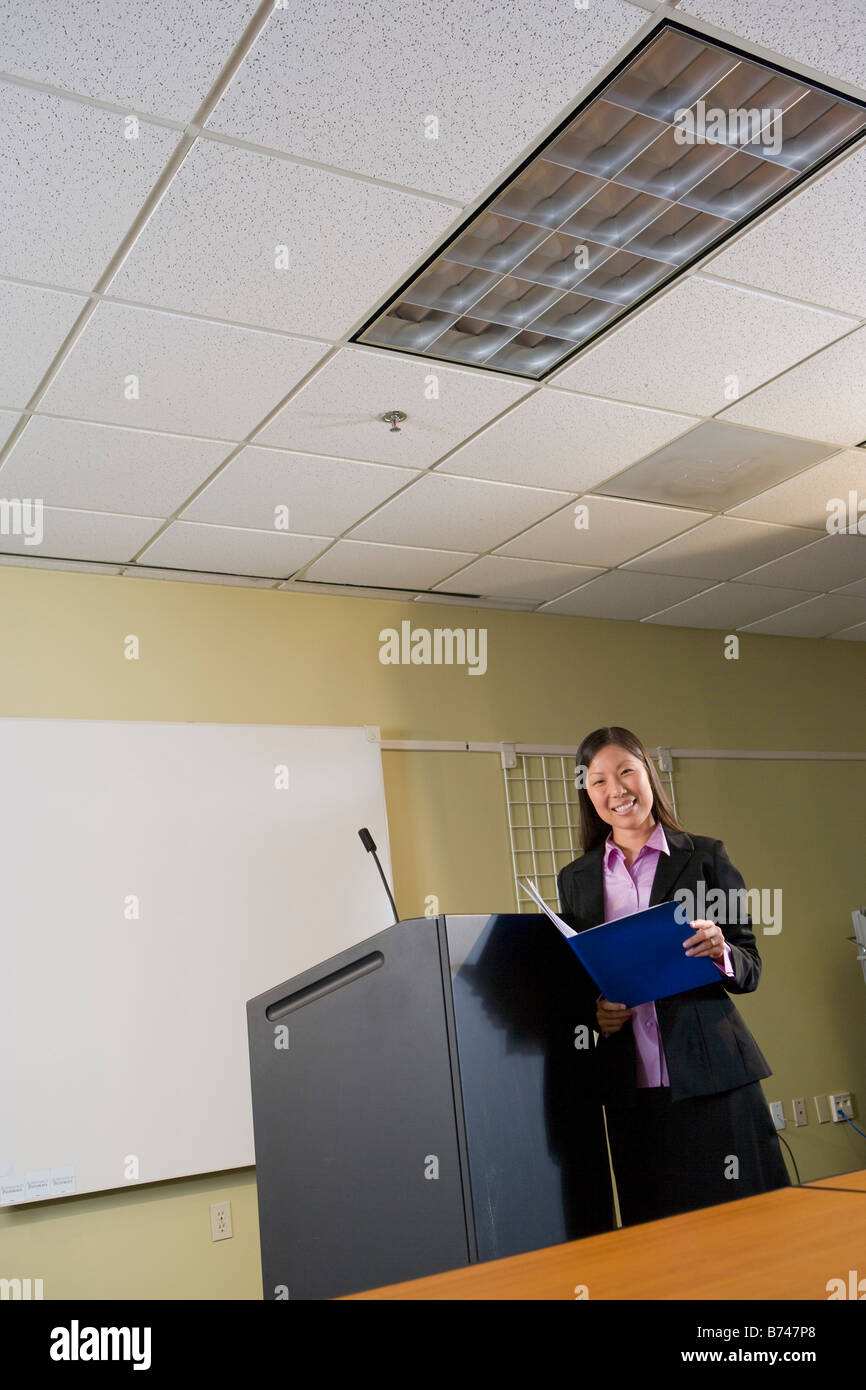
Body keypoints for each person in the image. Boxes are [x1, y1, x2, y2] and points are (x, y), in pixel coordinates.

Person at [557, 724, 790, 1226]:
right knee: (658, 1234)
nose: (615, 790)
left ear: (649, 775)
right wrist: (598, 1013)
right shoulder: (575, 878)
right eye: (597, 780)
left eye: (626, 772)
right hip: (631, 1090)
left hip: (713, 1076)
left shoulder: (705, 856)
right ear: (587, 793)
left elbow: (749, 968)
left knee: (750, 1224)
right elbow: (581, 979)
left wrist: (720, 948)